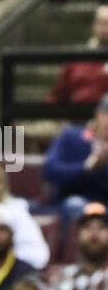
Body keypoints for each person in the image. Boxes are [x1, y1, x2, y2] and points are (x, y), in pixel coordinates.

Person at [48, 202, 108, 290]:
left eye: (102, 228)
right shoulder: (61, 277)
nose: (94, 233)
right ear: (76, 236)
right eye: (87, 227)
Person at [44, 95, 108, 224]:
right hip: (74, 201)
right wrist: (86, 167)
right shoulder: (72, 136)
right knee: (74, 204)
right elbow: (49, 170)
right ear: (98, 114)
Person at [47, 6, 108, 107]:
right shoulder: (78, 56)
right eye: (101, 22)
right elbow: (57, 94)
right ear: (93, 25)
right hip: (75, 117)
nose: (105, 29)